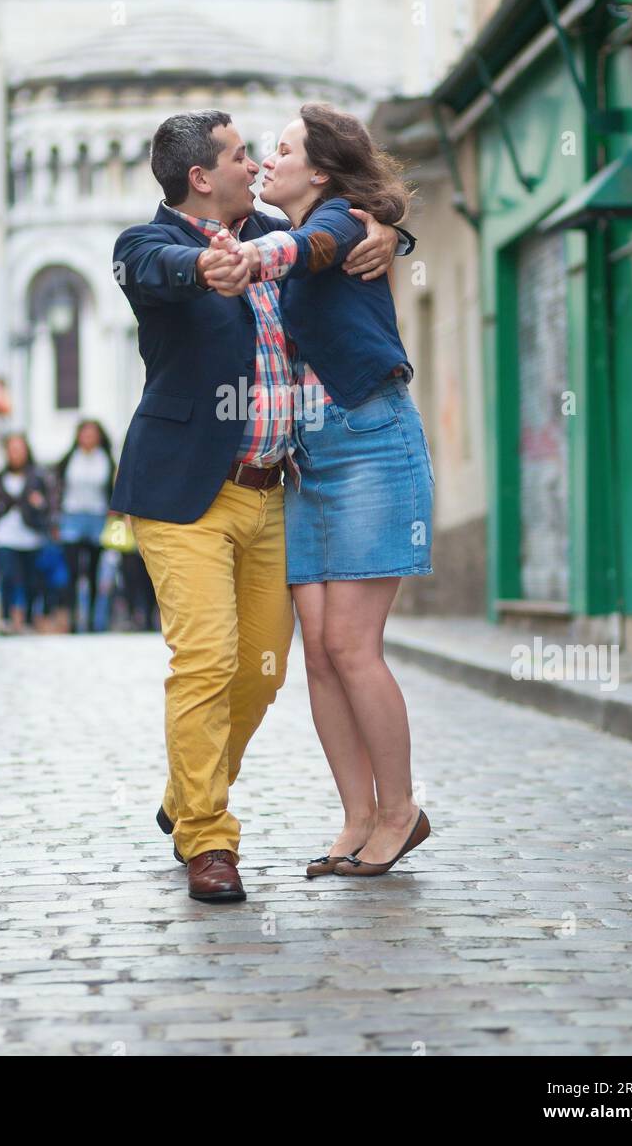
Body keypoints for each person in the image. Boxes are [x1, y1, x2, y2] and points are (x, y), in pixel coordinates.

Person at [111, 109, 416, 902]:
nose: (254, 165)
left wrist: (391, 229)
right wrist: (204, 270)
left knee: (263, 669)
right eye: (241, 155)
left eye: (261, 153)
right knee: (207, 660)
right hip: (186, 496)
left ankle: (186, 791)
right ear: (198, 178)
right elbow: (156, 272)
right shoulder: (148, 246)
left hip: (279, 487)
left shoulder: (276, 230)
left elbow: (335, 226)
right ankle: (208, 839)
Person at [208, 102, 434, 880]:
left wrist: (379, 231)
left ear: (323, 170)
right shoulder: (327, 230)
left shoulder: (339, 220)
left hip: (370, 442)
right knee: (318, 658)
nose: (269, 161)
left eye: (283, 149)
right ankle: (358, 814)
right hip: (306, 463)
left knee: (351, 647)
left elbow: (313, 246)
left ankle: (400, 811)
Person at [53, 419, 116, 633]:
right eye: (85, 433)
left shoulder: (106, 459)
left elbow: (112, 488)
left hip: (97, 517)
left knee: (93, 570)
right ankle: (72, 618)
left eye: (93, 433)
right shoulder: (69, 459)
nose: (88, 437)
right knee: (71, 571)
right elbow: (56, 485)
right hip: (72, 517)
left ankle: (90, 619)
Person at [0, 433, 51, 635]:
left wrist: (40, 504)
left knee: (31, 580)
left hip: (30, 535)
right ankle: (5, 618)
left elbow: (48, 504)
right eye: (11, 449)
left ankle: (29, 620)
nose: (15, 453)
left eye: (19, 449)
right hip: (6, 534)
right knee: (6, 576)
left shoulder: (38, 476)